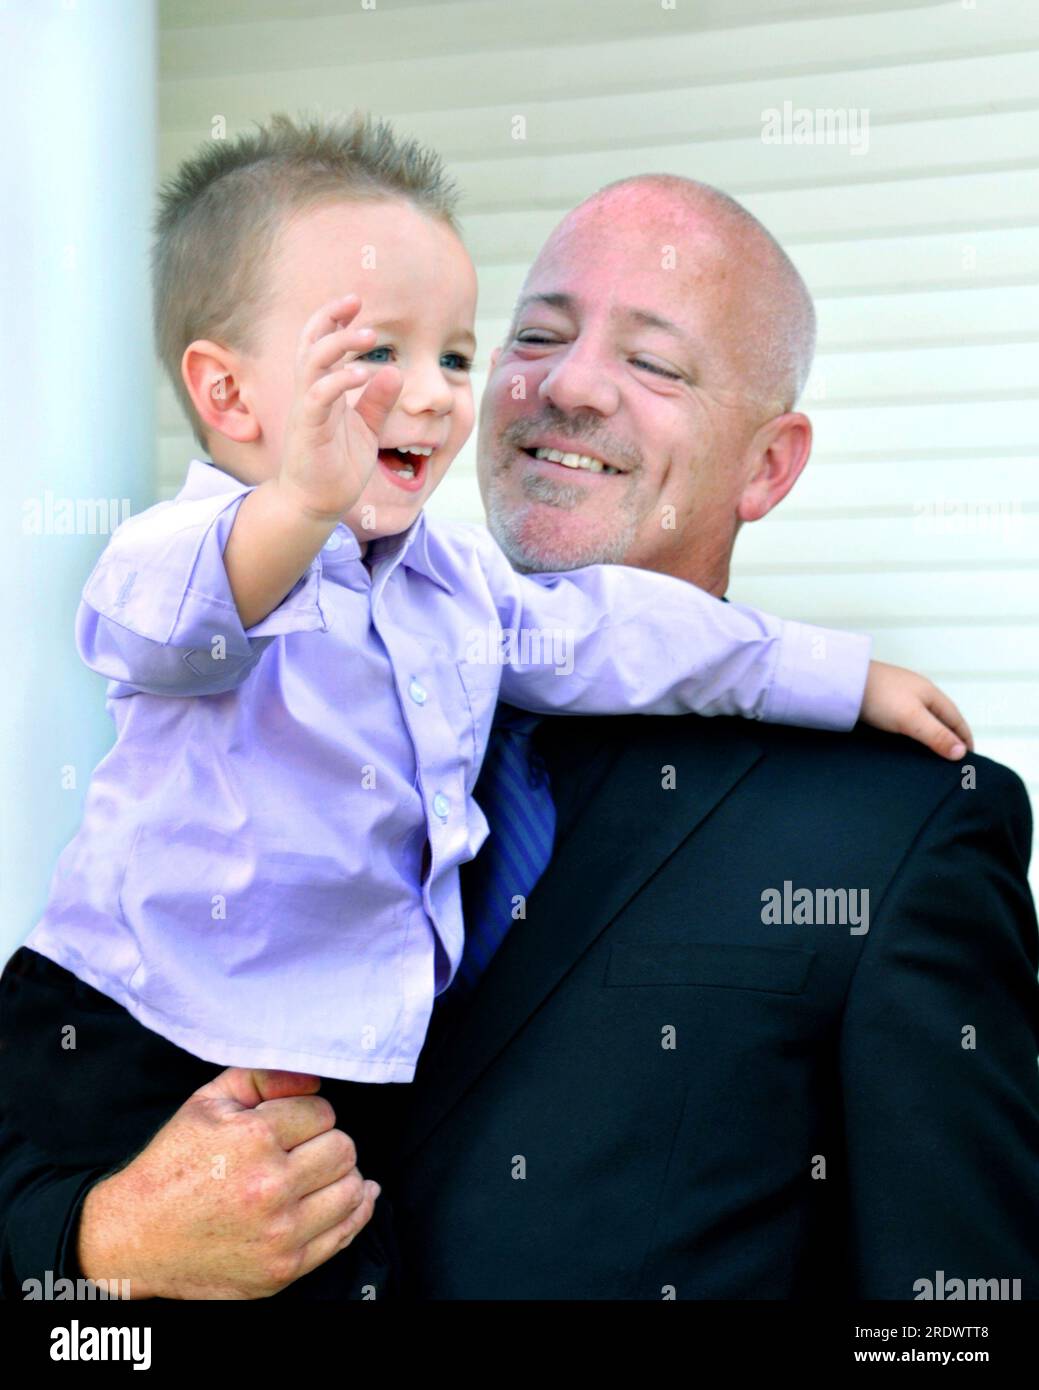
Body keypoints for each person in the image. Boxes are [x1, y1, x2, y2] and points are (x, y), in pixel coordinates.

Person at [0, 150, 1031, 1301]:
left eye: (650, 361)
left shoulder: (899, 830)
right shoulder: (257, 658)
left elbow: (958, 1315)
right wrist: (100, 1255)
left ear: (769, 465)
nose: (566, 388)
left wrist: (845, 677)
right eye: (534, 338)